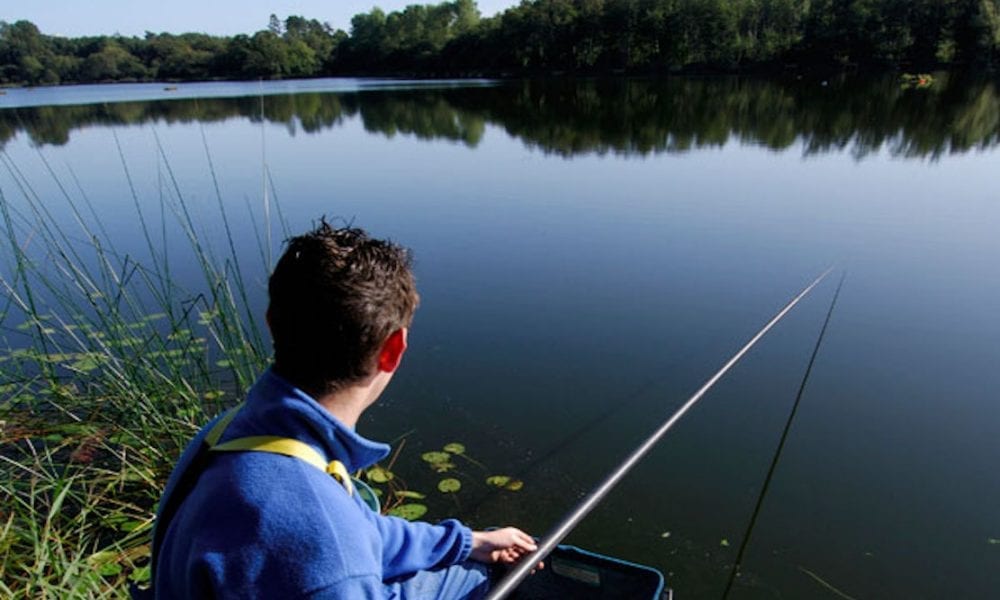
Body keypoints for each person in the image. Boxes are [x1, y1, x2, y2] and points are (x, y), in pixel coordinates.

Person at [145, 221, 537, 598]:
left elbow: (360, 531)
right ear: (393, 349)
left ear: (271, 323)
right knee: (478, 579)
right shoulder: (321, 531)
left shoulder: (228, 436)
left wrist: (469, 542)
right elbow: (333, 538)